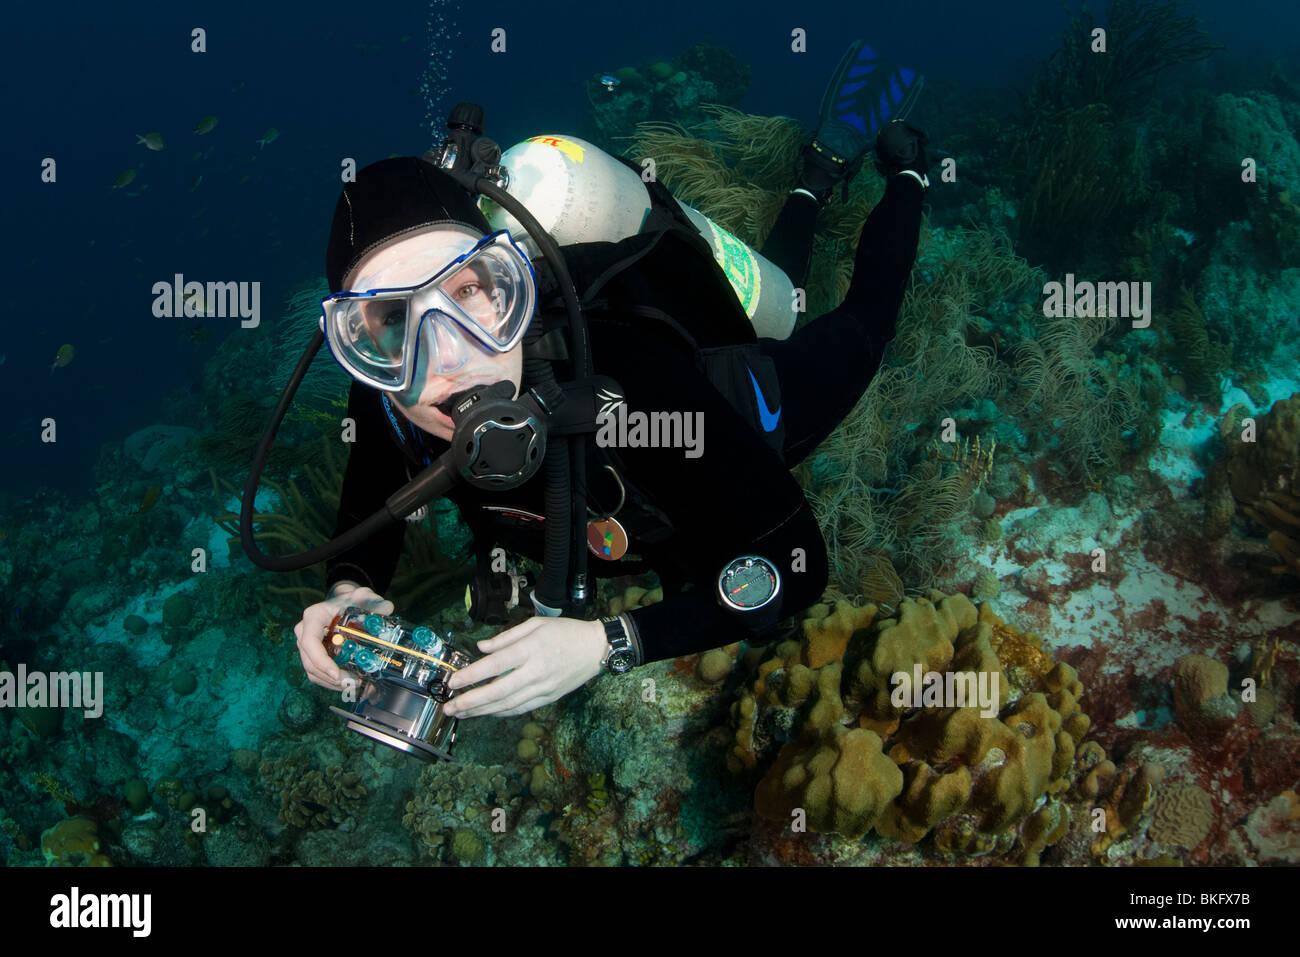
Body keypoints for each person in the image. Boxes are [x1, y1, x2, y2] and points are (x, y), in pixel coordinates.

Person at [294, 40, 930, 720]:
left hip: (747, 408)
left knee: (863, 325)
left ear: (516, 288)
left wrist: (609, 643)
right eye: (391, 323)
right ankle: (817, 175)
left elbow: (797, 563)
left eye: (471, 291)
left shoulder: (620, 374)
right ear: (359, 347)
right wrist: (348, 591)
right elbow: (366, 518)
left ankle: (909, 170)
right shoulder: (391, 399)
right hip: (632, 525)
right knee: (787, 294)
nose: (446, 356)